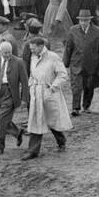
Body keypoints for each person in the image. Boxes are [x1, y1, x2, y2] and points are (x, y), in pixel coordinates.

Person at [22, 30, 72, 159]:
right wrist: (31, 85)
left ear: (40, 46)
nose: (31, 51)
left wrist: (53, 87)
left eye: (33, 48)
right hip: (36, 93)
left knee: (52, 121)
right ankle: (33, 150)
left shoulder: (53, 57)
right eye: (30, 48)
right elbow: (32, 74)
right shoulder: (33, 58)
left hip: (49, 93)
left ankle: (61, 141)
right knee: (36, 121)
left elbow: (63, 74)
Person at [63, 7, 99, 116]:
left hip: (92, 64)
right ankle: (75, 108)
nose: (83, 23)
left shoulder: (98, 32)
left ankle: (86, 106)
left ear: (90, 20)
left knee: (89, 86)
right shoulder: (73, 31)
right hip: (76, 63)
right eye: (81, 20)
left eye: (85, 20)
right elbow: (68, 47)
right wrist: (65, 62)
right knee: (76, 86)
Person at [0, 39, 28, 155]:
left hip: (10, 93)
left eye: (9, 52)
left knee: (1, 121)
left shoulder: (19, 62)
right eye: (5, 53)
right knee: (0, 119)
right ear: (0, 52)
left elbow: (24, 81)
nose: (8, 55)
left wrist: (24, 98)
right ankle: (17, 132)